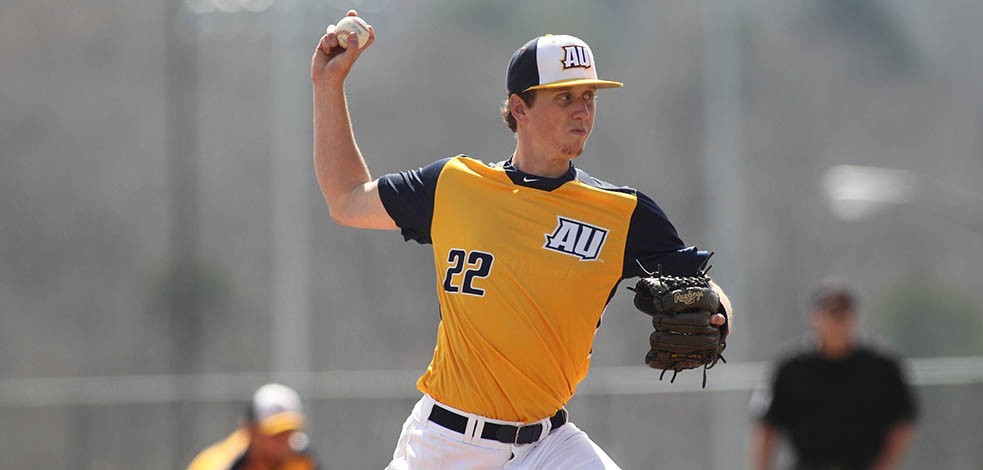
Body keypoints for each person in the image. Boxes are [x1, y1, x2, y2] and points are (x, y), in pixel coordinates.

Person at [311, 10, 731, 469]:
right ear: (519, 108)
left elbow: (700, 285)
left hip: (547, 446)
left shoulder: (622, 212)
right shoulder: (455, 184)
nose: (582, 110)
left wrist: (717, 315)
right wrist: (328, 86)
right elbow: (346, 199)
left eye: (589, 96)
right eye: (564, 96)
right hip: (443, 445)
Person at [750, 279, 918, 470]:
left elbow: (902, 423)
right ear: (815, 318)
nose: (837, 323)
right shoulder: (791, 368)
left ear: (855, 318)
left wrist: (884, 466)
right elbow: (766, 425)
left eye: (843, 315)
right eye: (831, 315)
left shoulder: (881, 367)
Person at [187, 383, 320, 470]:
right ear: (250, 430)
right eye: (274, 433)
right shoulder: (217, 464)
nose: (283, 441)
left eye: (289, 431)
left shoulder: (304, 459)